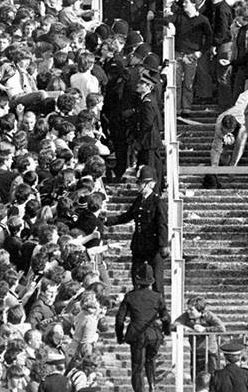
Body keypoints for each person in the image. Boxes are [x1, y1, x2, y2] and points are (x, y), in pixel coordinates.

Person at [106, 164, 169, 298]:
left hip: (153, 245)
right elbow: (127, 216)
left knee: (157, 281)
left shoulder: (158, 202)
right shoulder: (139, 200)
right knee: (137, 277)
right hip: (140, 244)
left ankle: (159, 311)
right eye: (139, 183)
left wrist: (164, 245)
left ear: (151, 184)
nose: (139, 186)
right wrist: (107, 220)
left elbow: (162, 224)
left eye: (142, 183)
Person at [115, 263, 171, 392]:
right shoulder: (157, 297)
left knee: (137, 366)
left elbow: (119, 319)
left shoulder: (130, 296)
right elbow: (165, 317)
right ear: (151, 281)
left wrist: (120, 336)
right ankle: (152, 385)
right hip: (153, 334)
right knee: (151, 361)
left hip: (137, 334)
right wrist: (166, 331)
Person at [210, 80, 248, 168]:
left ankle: (233, 165)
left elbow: (244, 98)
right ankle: (225, 158)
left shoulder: (238, 109)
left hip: (240, 127)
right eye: (226, 131)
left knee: (242, 136)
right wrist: (214, 168)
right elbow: (216, 149)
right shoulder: (219, 127)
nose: (228, 133)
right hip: (223, 137)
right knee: (220, 153)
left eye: (229, 131)